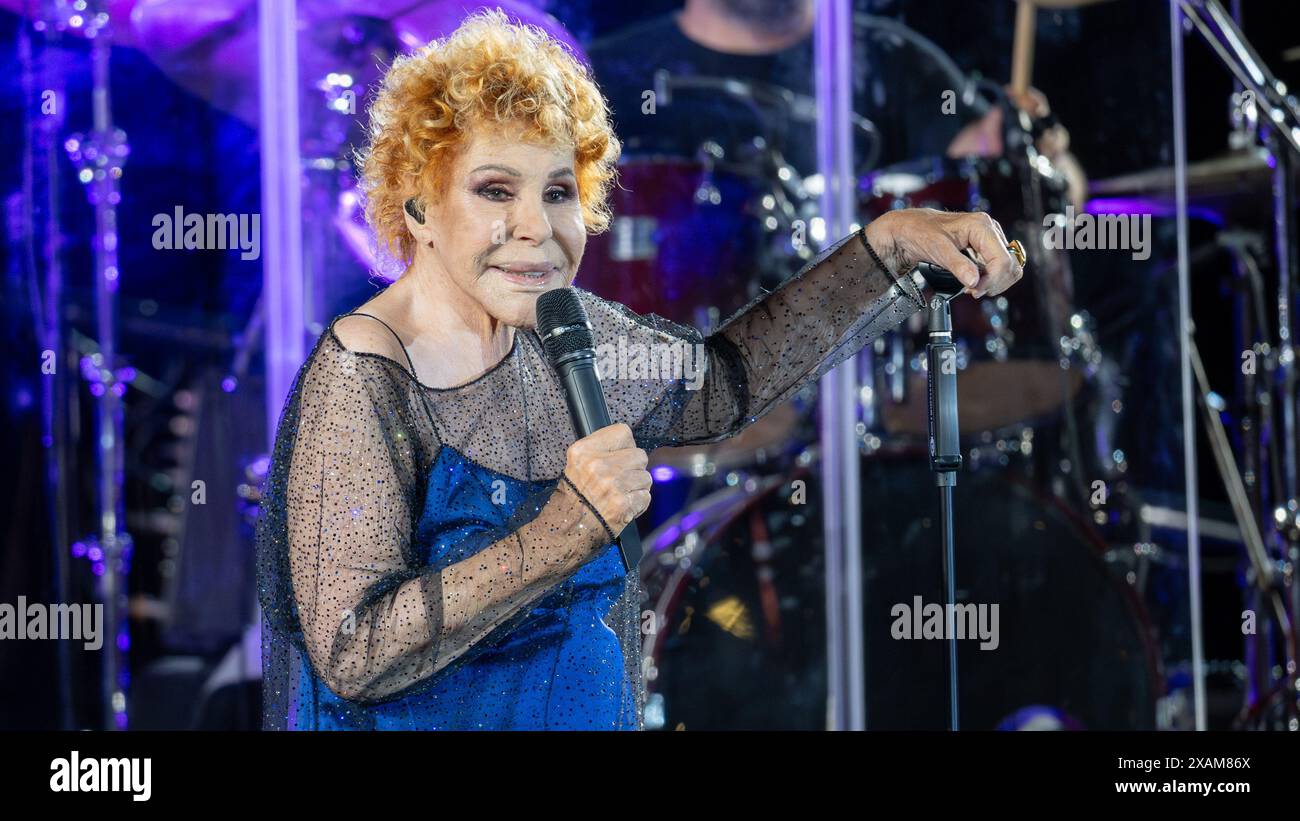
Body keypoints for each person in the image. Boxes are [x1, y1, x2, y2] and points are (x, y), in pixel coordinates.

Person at [255, 8, 1022, 731]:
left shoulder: (563, 331)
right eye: (495, 190)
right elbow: (354, 649)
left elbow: (723, 384)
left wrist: (884, 249)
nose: (536, 227)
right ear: (418, 207)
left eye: (558, 191)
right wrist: (560, 534)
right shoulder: (364, 371)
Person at [587, 0, 1086, 203]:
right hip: (645, 393)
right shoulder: (598, 77)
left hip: (866, 394)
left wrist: (1034, 161)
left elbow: (1056, 191)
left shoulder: (893, 58)